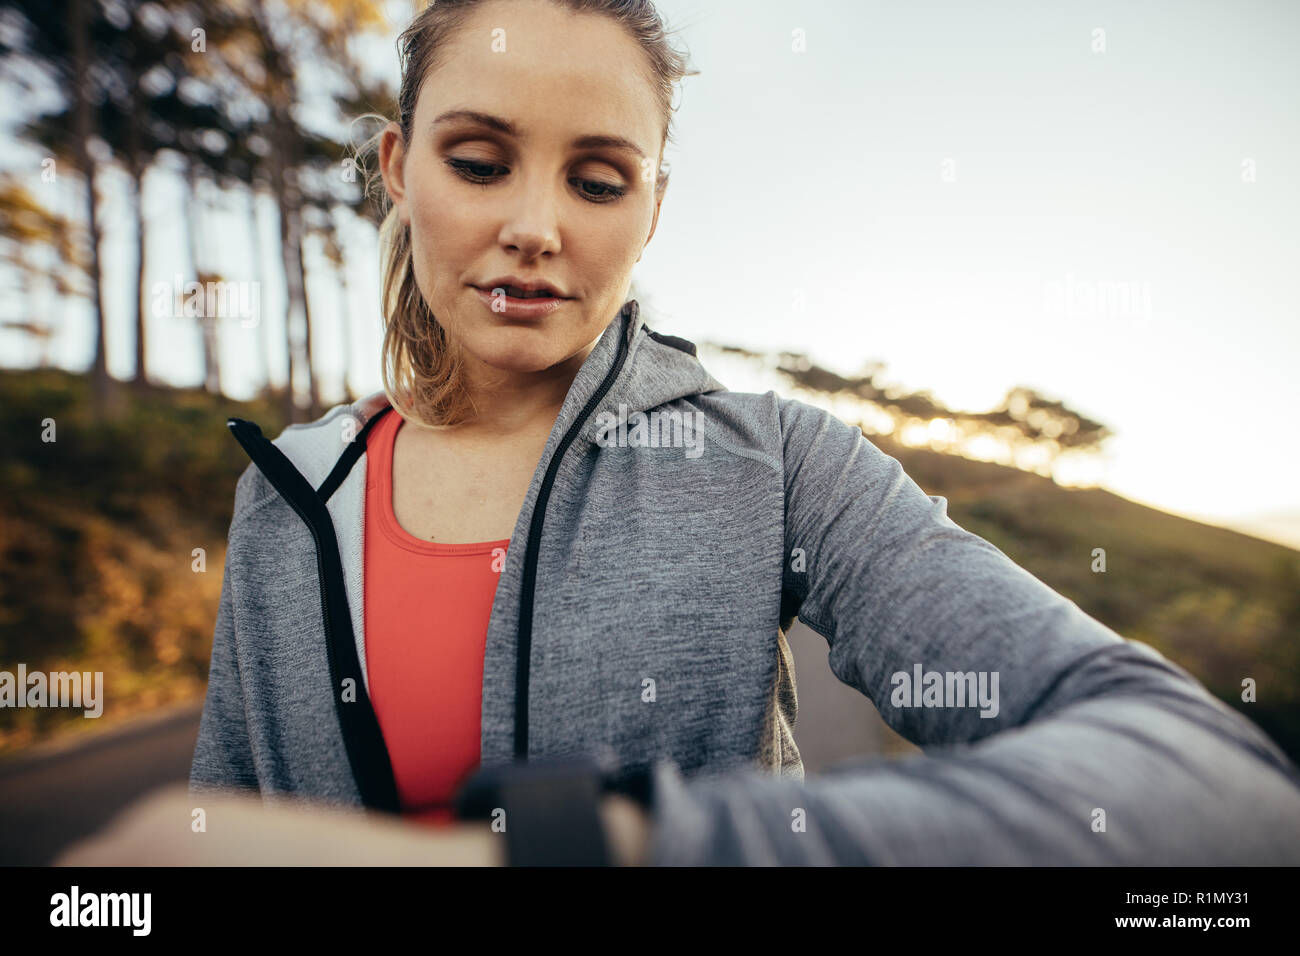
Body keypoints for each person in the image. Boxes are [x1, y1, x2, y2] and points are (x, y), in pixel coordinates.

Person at [190, 0, 1300, 866]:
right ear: (397, 169)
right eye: (478, 162)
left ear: (652, 210)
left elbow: (1217, 792)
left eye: (598, 179)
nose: (535, 226)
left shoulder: (779, 464)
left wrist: (610, 851)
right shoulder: (288, 491)